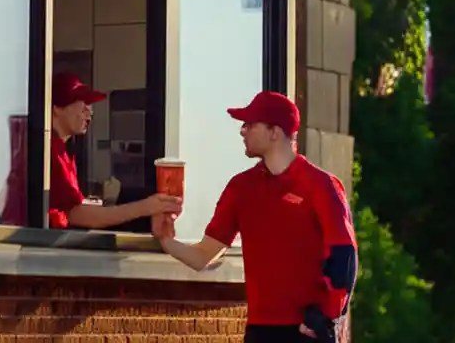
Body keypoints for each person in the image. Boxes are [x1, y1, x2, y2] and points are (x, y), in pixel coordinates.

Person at [152, 91, 358, 343]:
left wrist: (325, 317)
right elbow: (204, 255)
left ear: (275, 132)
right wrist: (167, 241)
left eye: (250, 124)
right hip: (260, 331)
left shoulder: (321, 185)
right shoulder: (240, 188)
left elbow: (344, 258)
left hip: (308, 330)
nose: (242, 130)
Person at [49, 72, 182, 229]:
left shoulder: (62, 152)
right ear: (56, 108)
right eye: (83, 104)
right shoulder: (50, 154)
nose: (89, 112)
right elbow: (76, 215)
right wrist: (146, 207)